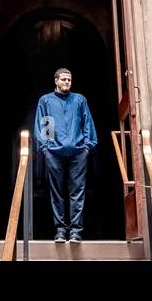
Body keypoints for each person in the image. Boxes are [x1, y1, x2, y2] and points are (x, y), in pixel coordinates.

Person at [34, 67, 98, 242]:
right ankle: (61, 230)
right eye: (63, 79)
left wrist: (87, 147)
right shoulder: (46, 101)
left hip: (78, 152)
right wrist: (46, 148)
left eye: (69, 80)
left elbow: (87, 122)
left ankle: (76, 231)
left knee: (77, 190)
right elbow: (44, 124)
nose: (66, 82)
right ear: (56, 81)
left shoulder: (79, 100)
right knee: (57, 192)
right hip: (54, 153)